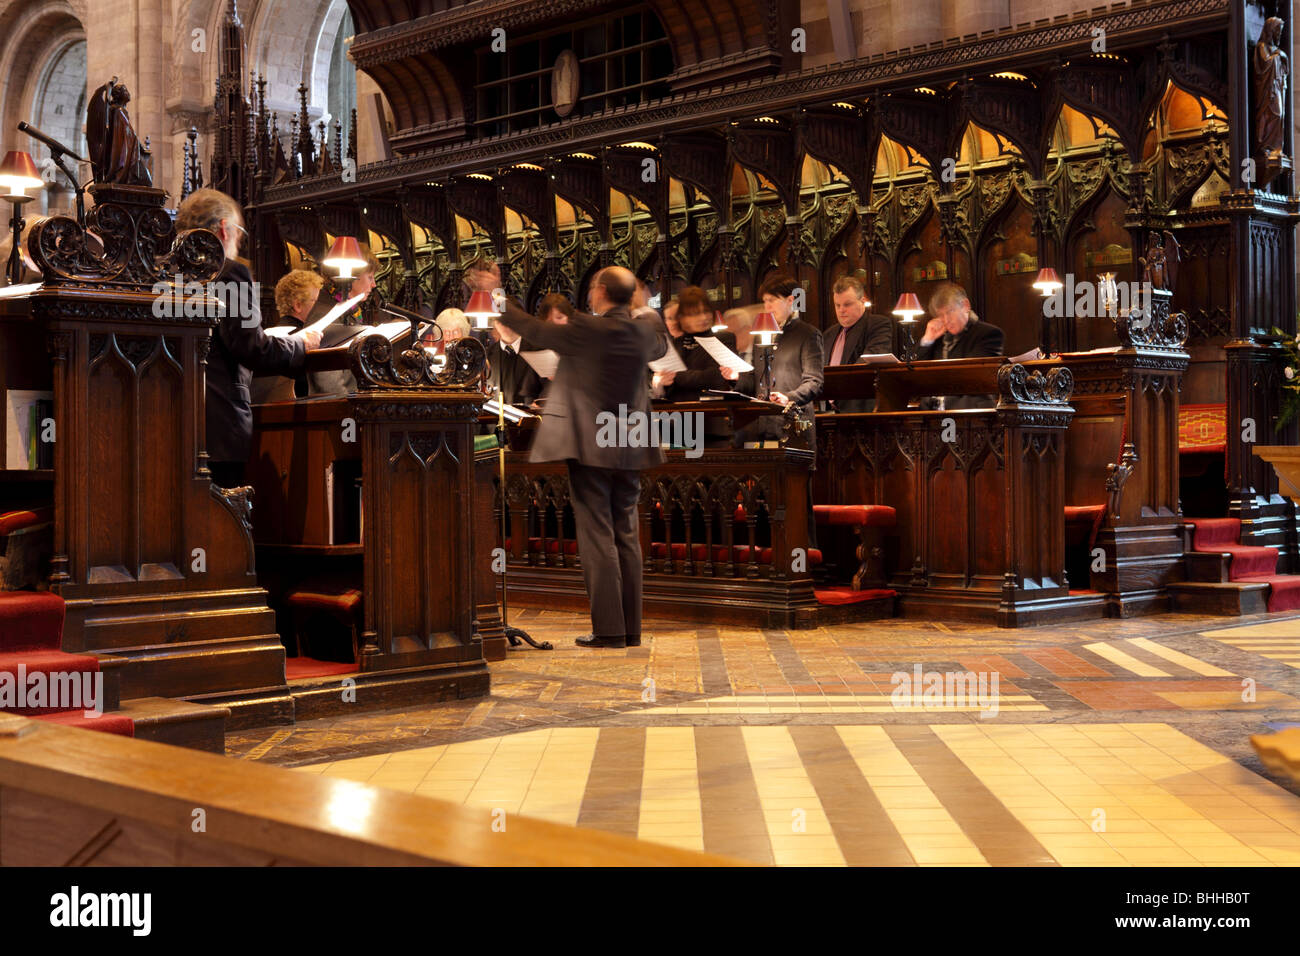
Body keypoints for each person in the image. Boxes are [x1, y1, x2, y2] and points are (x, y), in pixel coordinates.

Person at [467, 264, 666, 649]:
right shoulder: (645, 331)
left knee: (597, 534)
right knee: (626, 532)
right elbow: (659, 341)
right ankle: (630, 630)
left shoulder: (587, 328)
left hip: (591, 443)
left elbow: (534, 330)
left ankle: (609, 630)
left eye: (594, 287)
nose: (590, 294)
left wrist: (495, 293)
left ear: (603, 291)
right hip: (631, 442)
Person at [174, 188, 321, 488]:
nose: (240, 240)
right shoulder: (230, 273)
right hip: (218, 427)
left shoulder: (166, 275)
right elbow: (250, 345)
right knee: (223, 523)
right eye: (240, 231)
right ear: (224, 229)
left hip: (171, 420)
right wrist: (299, 345)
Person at [656, 286, 741, 447]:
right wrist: (661, 381)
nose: (703, 317)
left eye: (706, 311)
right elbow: (667, 388)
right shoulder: (675, 344)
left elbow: (714, 377)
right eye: (695, 313)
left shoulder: (723, 339)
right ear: (681, 317)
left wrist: (676, 376)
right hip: (674, 427)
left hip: (710, 427)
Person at [915, 281, 1004, 410]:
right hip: (931, 413)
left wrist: (935, 379)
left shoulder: (988, 334)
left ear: (965, 305)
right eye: (941, 315)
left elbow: (971, 376)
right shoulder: (938, 338)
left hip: (969, 414)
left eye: (950, 312)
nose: (946, 320)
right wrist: (927, 340)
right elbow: (916, 374)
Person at [307, 249, 380, 396]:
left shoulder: (348, 310)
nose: (374, 285)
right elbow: (328, 382)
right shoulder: (327, 314)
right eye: (370, 277)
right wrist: (349, 412)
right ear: (353, 277)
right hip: (338, 410)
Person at [822, 274, 895, 412]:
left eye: (847, 304)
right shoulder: (828, 334)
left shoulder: (878, 324)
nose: (841, 310)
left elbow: (870, 359)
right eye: (837, 305)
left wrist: (837, 385)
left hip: (862, 409)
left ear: (862, 301)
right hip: (829, 412)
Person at [251, 269, 324, 403]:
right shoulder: (306, 338)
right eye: (316, 302)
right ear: (298, 305)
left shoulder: (270, 334)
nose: (320, 308)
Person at [485, 314, 542, 408]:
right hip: (494, 419)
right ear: (495, 323)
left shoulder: (537, 350)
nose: (506, 325)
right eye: (501, 321)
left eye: (510, 320)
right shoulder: (486, 355)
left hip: (529, 418)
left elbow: (548, 388)